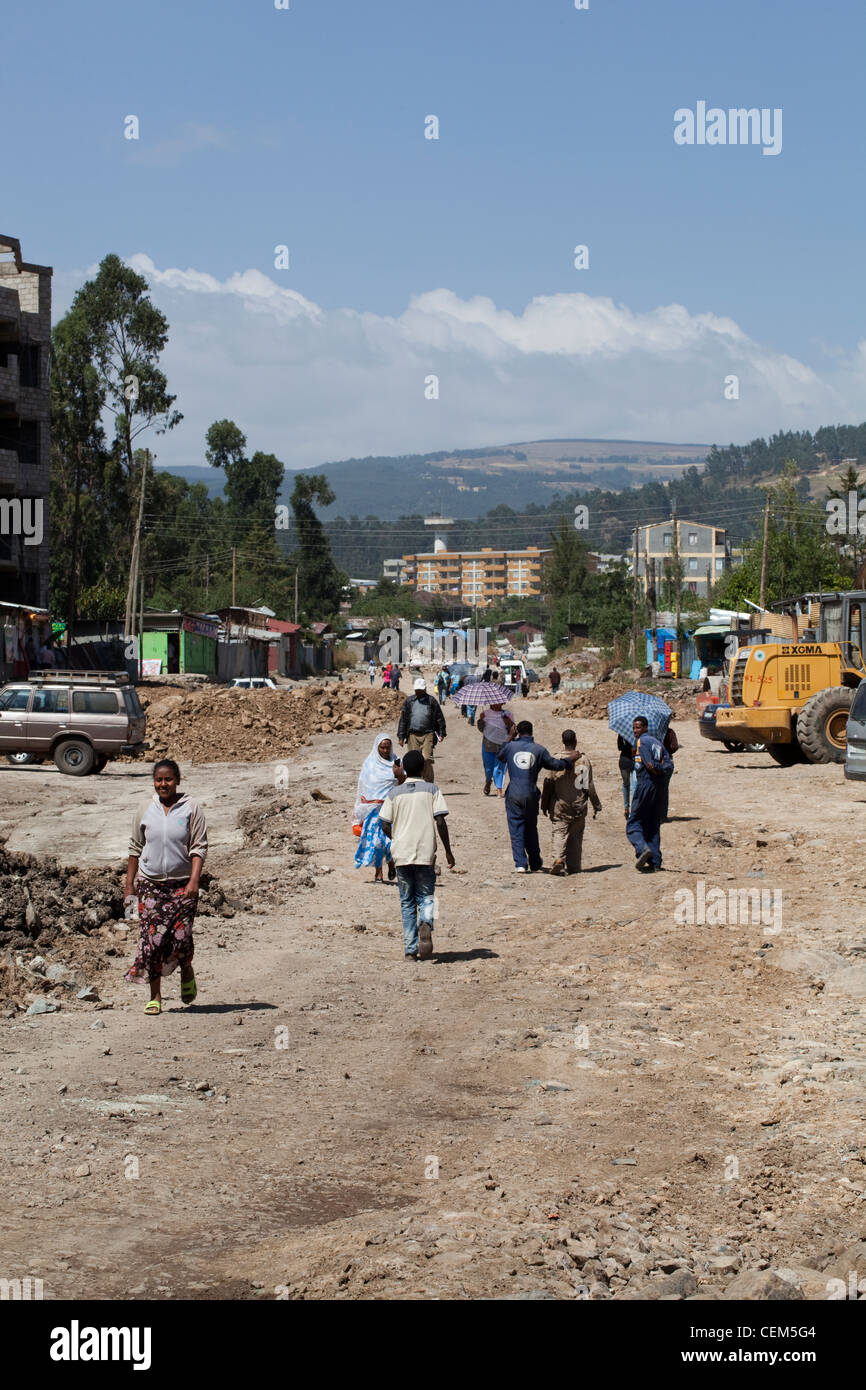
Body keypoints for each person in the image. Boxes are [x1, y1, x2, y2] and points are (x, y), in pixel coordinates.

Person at [124, 760, 208, 1016]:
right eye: (159, 780)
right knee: (153, 942)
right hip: (150, 885)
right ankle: (155, 996)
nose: (164, 784)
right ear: (154, 782)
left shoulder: (191, 808)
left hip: (183, 885)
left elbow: (199, 847)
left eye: (169, 779)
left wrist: (194, 881)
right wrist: (129, 884)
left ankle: (186, 970)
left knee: (181, 937)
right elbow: (135, 848)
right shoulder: (145, 809)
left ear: (178, 780)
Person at [379, 749, 454, 961]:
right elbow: (440, 821)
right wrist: (448, 851)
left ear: (404, 769)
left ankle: (410, 950)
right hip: (425, 853)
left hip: (402, 854)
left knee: (407, 901)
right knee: (426, 895)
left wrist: (396, 838)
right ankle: (426, 923)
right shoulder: (432, 790)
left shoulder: (394, 793)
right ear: (423, 768)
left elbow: (384, 823)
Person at [497, 719, 579, 873]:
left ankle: (520, 863)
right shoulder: (539, 750)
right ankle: (535, 862)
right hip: (531, 794)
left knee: (516, 829)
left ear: (518, 732)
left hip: (513, 794)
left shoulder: (510, 747)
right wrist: (570, 759)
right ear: (532, 732)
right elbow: (556, 765)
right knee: (531, 829)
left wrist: (509, 736)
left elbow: (499, 755)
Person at [540, 729, 601, 874]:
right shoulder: (584, 760)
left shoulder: (555, 759)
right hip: (579, 804)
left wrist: (544, 803)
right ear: (575, 741)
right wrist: (596, 804)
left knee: (559, 832)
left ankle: (558, 859)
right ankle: (574, 866)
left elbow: (548, 783)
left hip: (559, 804)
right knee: (576, 835)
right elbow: (589, 785)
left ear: (563, 741)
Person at [353, 734, 404, 882]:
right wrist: (362, 804)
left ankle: (392, 863)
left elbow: (403, 783)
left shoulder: (397, 762)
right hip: (373, 809)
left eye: (388, 747)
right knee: (376, 841)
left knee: (391, 840)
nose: (385, 750)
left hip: (391, 807)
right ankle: (378, 872)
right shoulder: (369, 763)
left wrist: (399, 775)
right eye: (382, 747)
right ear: (377, 747)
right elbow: (363, 784)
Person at [625, 715, 673, 873]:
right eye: (634, 728)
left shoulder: (642, 742)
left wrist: (654, 770)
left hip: (646, 784)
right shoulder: (657, 742)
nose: (635, 731)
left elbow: (650, 765)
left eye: (638, 727)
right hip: (658, 787)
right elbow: (669, 764)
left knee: (633, 823)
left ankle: (642, 848)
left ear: (645, 728)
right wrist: (661, 772)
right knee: (652, 823)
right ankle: (655, 862)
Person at [397, 677, 447, 782]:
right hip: (412, 735)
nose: (418, 692)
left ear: (425, 689)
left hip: (428, 734)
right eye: (417, 690)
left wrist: (441, 733)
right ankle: (415, 782)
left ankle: (429, 783)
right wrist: (401, 736)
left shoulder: (431, 701)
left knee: (427, 759)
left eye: (420, 690)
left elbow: (439, 718)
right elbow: (404, 720)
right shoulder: (410, 701)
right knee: (413, 760)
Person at [477, 700, 516, 796]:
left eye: (498, 702)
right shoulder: (484, 714)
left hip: (502, 745)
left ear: (502, 703)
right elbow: (482, 729)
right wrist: (481, 721)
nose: (495, 704)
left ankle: (499, 789)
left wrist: (507, 723)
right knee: (488, 769)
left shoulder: (507, 714)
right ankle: (488, 781)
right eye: (493, 702)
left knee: (500, 768)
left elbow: (513, 729)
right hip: (488, 744)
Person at [660, 721, 678, 821]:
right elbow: (675, 746)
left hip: (656, 763)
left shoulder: (653, 732)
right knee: (665, 789)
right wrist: (668, 750)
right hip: (668, 762)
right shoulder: (670, 732)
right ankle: (663, 814)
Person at [617, 733, 636, 819]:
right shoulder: (640, 733)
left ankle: (626, 808)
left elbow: (620, 747)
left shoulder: (623, 732)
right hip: (635, 761)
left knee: (626, 784)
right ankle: (633, 809)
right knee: (634, 786)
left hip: (624, 761)